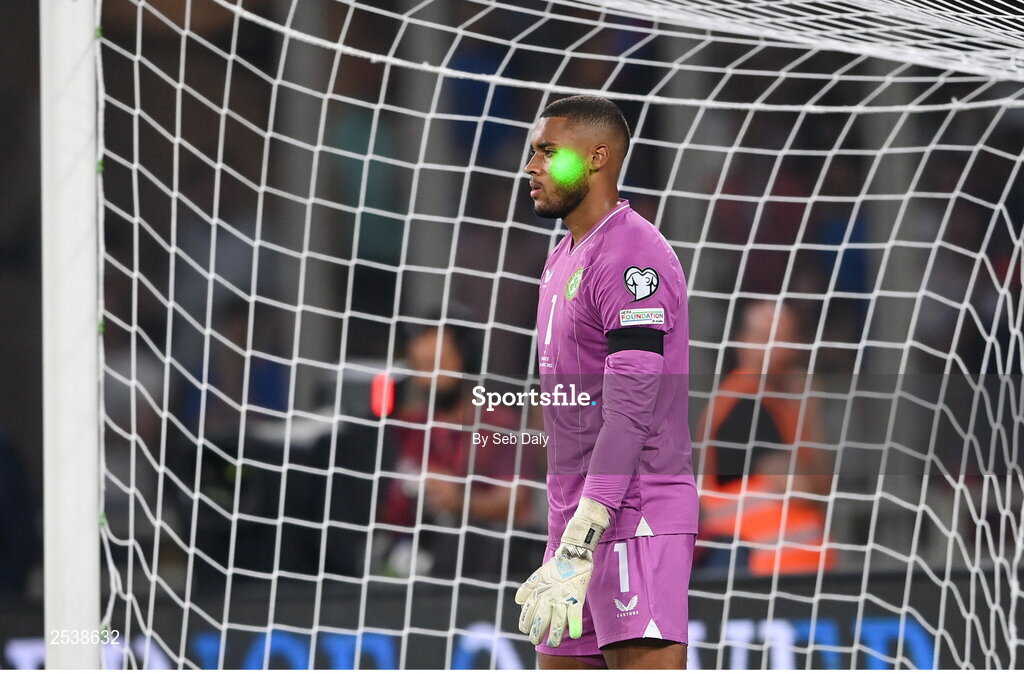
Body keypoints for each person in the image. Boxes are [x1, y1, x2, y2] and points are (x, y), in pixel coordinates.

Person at [515, 95, 698, 669]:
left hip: (633, 517)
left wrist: (584, 533)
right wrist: (568, 534)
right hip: (574, 524)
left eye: (549, 152)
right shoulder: (562, 257)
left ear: (597, 157)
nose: (532, 166)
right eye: (533, 152)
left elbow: (629, 412)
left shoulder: (631, 256)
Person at [697, 300, 835, 575]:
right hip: (756, 571)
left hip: (772, 570)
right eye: (765, 339)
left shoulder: (770, 404)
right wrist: (810, 411)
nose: (775, 351)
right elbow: (807, 489)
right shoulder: (746, 405)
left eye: (784, 340)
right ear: (741, 342)